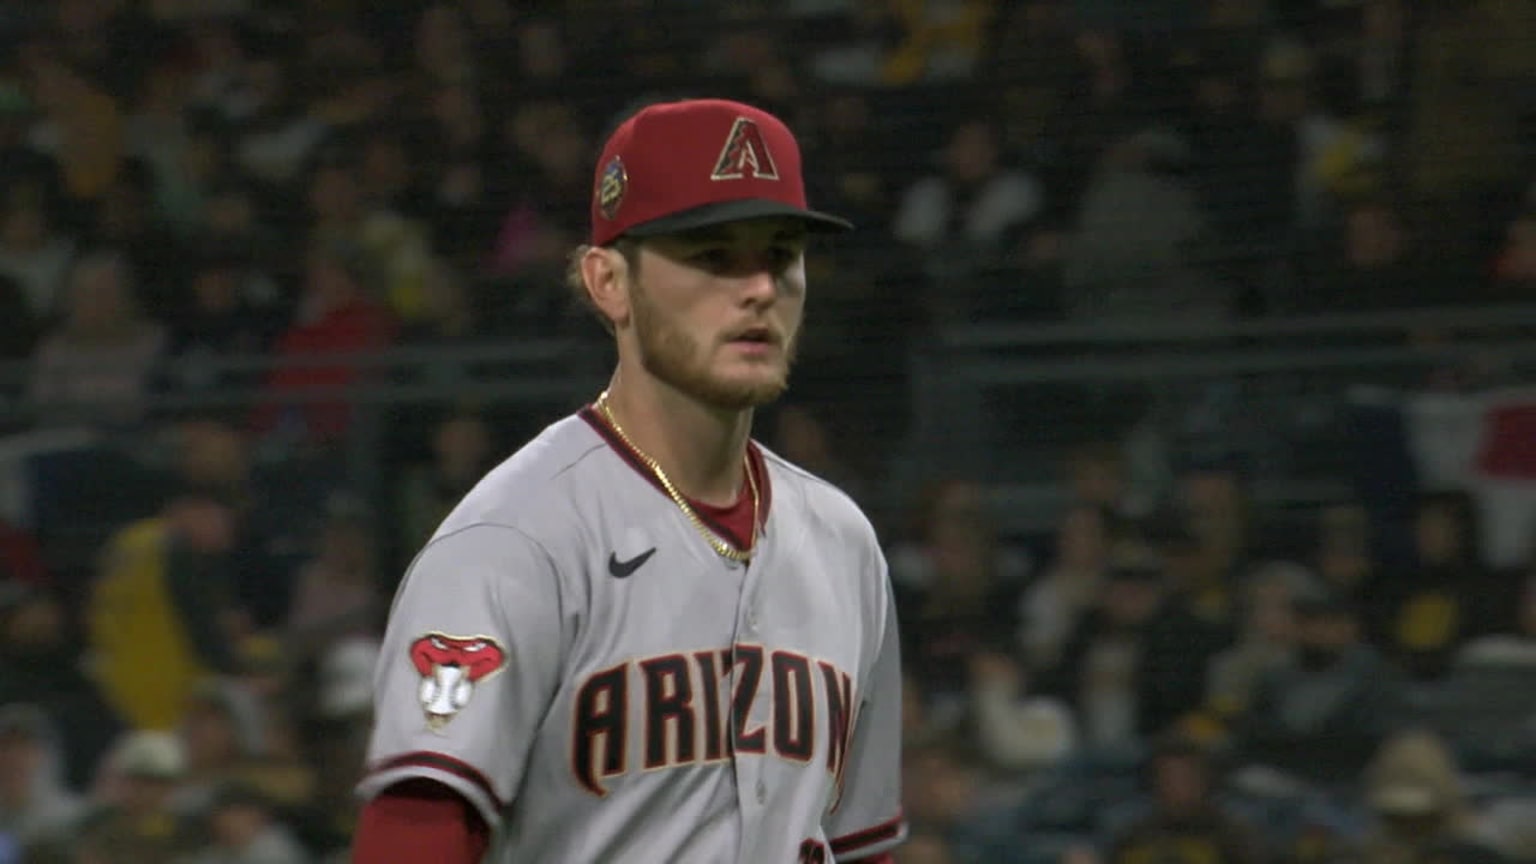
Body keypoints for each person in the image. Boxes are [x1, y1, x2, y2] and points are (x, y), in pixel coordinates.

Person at [353, 98, 906, 863]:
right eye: (713, 256)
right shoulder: (513, 543)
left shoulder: (843, 544)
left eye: (780, 254)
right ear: (608, 280)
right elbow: (412, 839)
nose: (758, 288)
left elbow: (860, 847)